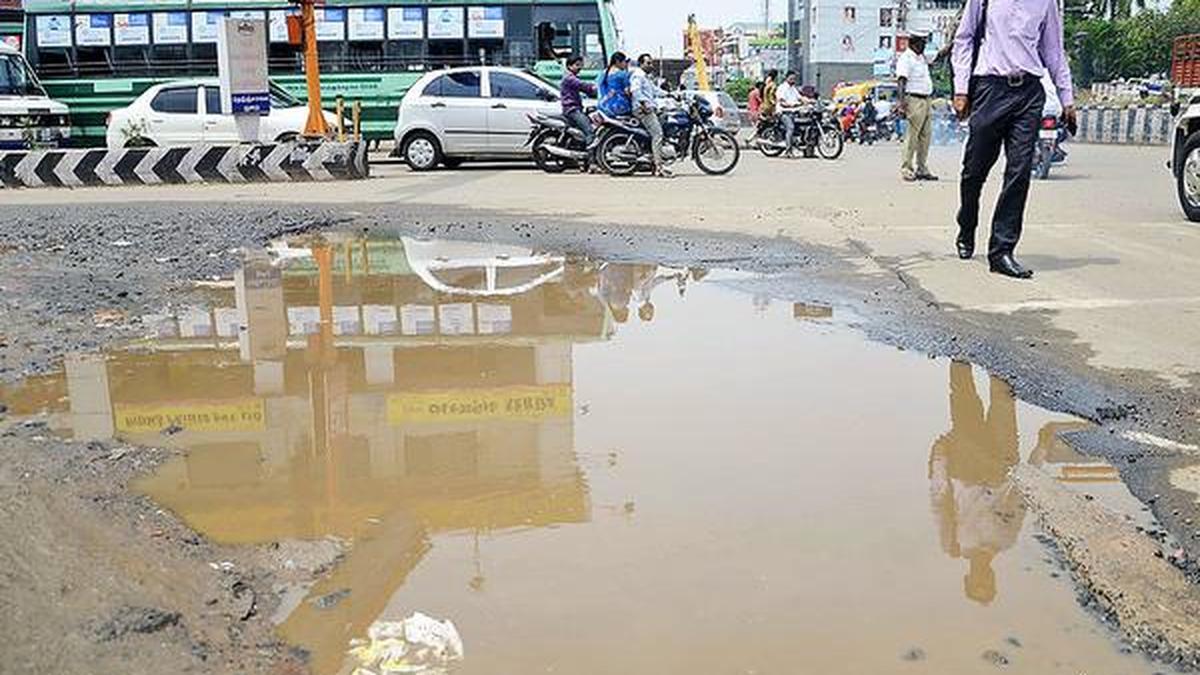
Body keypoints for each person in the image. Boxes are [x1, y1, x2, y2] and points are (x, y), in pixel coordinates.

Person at [951, 0, 1075, 279]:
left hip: (1029, 93)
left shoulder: (1047, 3)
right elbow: (964, 39)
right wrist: (961, 89)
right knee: (974, 171)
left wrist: (1067, 98)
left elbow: (1053, 51)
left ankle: (1001, 251)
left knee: (1019, 172)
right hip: (990, 89)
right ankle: (967, 224)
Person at [928, 362, 1025, 606]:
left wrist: (939, 460)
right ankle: (999, 350)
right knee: (1003, 398)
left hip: (966, 464)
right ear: (992, 577)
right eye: (985, 582)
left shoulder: (953, 543)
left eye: (976, 582)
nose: (981, 577)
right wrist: (1040, 453)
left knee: (963, 394)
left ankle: (960, 342)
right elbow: (1023, 499)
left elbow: (940, 501)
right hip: (1003, 465)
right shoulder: (1006, 540)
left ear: (968, 577)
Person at [896, 30, 938, 181]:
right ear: (913, 43)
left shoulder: (922, 58)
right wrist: (901, 103)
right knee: (912, 136)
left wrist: (954, 43)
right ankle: (907, 168)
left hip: (926, 100)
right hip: (913, 99)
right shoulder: (906, 58)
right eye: (922, 43)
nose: (924, 46)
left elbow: (939, 56)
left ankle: (922, 167)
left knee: (925, 136)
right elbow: (901, 81)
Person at [630, 53, 671, 177]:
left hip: (649, 107)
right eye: (648, 63)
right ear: (641, 64)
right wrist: (644, 103)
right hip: (643, 110)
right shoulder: (638, 75)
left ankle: (654, 161)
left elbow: (654, 90)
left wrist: (670, 94)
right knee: (658, 134)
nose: (651, 65)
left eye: (651, 63)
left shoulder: (646, 77)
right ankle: (659, 167)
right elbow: (635, 90)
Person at [560, 55, 598, 149]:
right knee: (589, 130)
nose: (580, 68)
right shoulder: (569, 78)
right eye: (577, 65)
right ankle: (590, 154)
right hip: (572, 110)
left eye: (580, 65)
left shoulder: (571, 77)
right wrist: (594, 88)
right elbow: (582, 85)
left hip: (575, 108)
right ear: (569, 66)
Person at [776, 71, 804, 157]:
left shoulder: (793, 88)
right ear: (786, 78)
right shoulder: (782, 88)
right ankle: (788, 151)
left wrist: (810, 101)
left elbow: (800, 98)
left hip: (793, 112)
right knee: (790, 128)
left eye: (794, 79)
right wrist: (791, 104)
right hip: (783, 112)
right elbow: (781, 102)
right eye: (791, 78)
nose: (793, 80)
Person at [597, 51, 632, 118]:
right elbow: (627, 91)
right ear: (618, 62)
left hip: (603, 106)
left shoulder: (603, 73)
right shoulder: (621, 74)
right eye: (624, 62)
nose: (625, 64)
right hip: (620, 107)